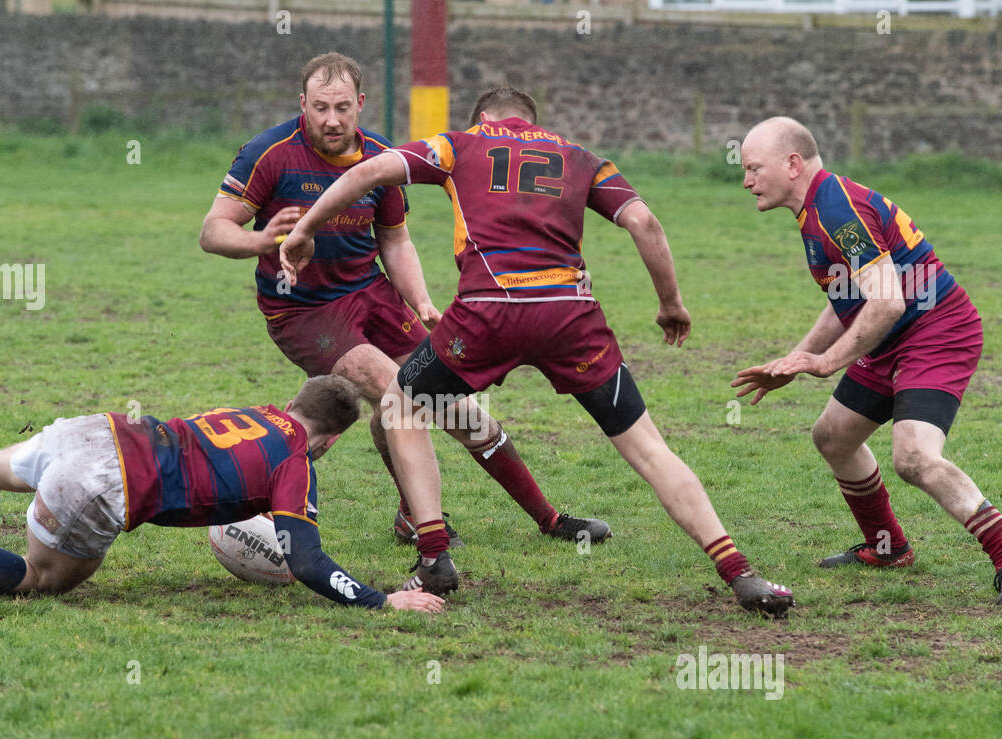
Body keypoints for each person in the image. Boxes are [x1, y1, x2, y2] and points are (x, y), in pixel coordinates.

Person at [280, 86, 793, 616]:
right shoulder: (580, 157)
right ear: (533, 121)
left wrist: (303, 230)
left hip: (487, 311)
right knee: (647, 448)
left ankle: (434, 554)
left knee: (403, 404)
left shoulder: (461, 144)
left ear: (483, 118)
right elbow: (643, 222)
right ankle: (740, 573)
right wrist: (670, 303)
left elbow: (364, 172)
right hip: (568, 315)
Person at [199, 53, 607, 553]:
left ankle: (546, 519)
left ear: (361, 104)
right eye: (321, 107)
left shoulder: (380, 156)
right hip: (304, 311)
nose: (332, 119)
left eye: (343, 107)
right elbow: (213, 231)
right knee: (400, 393)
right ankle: (247, 489)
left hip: (374, 297)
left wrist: (421, 302)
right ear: (302, 103)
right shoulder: (270, 153)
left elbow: (394, 240)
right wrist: (269, 242)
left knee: (458, 408)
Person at [731, 116, 1002, 605]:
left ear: (792, 164)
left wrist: (825, 363)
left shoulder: (836, 210)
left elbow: (887, 302)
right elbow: (851, 297)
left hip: (937, 330)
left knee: (915, 457)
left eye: (754, 168)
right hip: (893, 336)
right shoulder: (818, 205)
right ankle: (888, 547)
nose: (747, 179)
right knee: (833, 436)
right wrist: (800, 356)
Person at [0, 375, 444, 613]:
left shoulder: (259, 413)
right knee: (41, 580)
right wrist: (380, 600)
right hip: (104, 485)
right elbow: (306, 559)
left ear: (291, 406)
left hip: (99, 430)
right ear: (331, 441)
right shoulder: (296, 463)